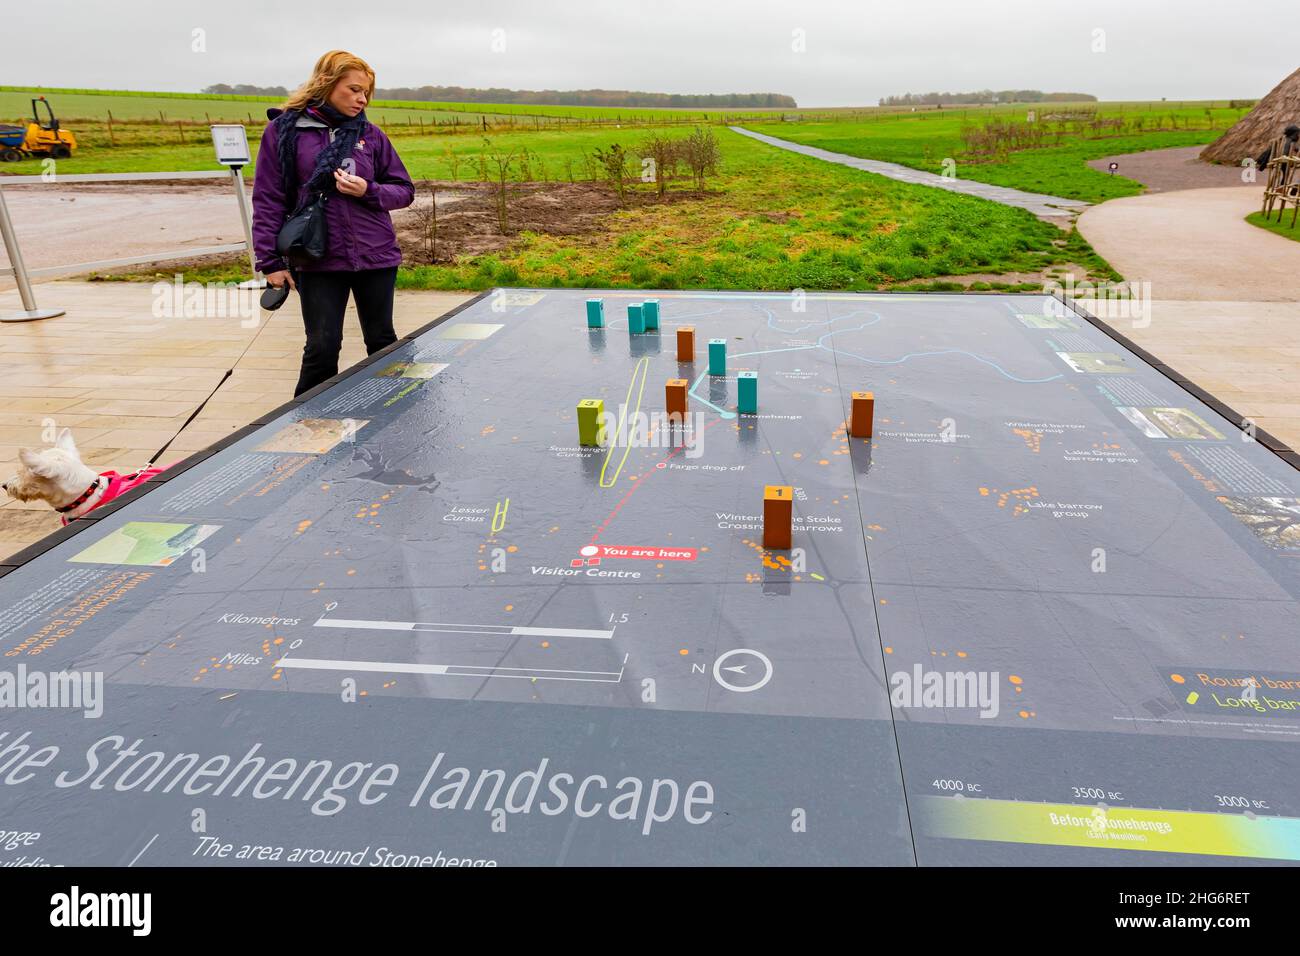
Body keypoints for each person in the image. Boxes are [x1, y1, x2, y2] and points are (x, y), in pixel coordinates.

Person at [252, 50, 415, 397]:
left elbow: (404, 191)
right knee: (322, 348)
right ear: (326, 84)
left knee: (383, 342)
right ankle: (307, 430)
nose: (362, 99)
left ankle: (399, 414)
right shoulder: (284, 133)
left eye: (367, 92)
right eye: (354, 89)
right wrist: (270, 262)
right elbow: (269, 198)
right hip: (316, 256)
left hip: (375, 255)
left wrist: (368, 191)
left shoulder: (370, 135)